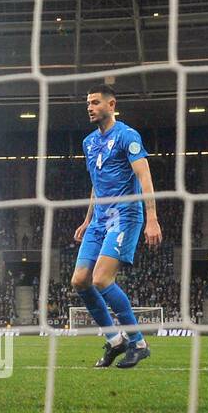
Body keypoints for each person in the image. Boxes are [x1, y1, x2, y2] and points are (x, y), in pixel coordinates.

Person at [70, 86, 162, 369]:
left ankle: (139, 344)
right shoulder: (88, 142)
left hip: (125, 215)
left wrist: (152, 218)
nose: (90, 107)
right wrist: (87, 220)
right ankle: (114, 341)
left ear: (112, 104)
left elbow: (144, 175)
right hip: (98, 219)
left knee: (101, 279)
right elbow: (96, 186)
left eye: (95, 102)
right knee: (80, 281)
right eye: (88, 103)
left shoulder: (127, 135)